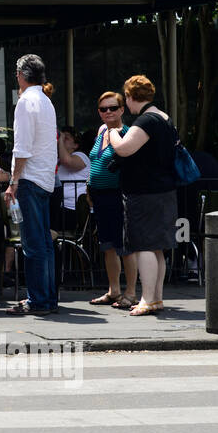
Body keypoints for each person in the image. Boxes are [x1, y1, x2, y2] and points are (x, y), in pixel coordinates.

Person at [109, 75, 178, 316]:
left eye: (125, 97)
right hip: (163, 190)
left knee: (144, 246)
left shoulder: (147, 120)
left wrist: (113, 134)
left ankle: (147, 299)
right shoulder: (164, 118)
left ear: (129, 97)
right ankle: (156, 298)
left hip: (144, 192)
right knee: (157, 247)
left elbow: (125, 148)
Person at [3, 54, 59, 316]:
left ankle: (38, 300)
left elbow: (22, 147)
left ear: (20, 75)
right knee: (44, 244)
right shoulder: (46, 101)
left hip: (30, 178)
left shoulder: (26, 102)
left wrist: (13, 181)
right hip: (45, 178)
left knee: (33, 243)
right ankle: (47, 298)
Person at [86, 91, 139, 308]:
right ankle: (113, 290)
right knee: (107, 245)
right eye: (103, 109)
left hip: (119, 195)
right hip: (100, 196)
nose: (108, 112)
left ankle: (131, 292)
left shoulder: (127, 134)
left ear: (122, 110)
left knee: (124, 246)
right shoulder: (101, 132)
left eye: (113, 108)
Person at [55, 126, 89, 212]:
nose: (61, 140)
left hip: (74, 208)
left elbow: (67, 161)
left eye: (66, 138)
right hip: (60, 205)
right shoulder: (56, 159)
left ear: (76, 145)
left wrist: (61, 139)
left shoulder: (81, 156)